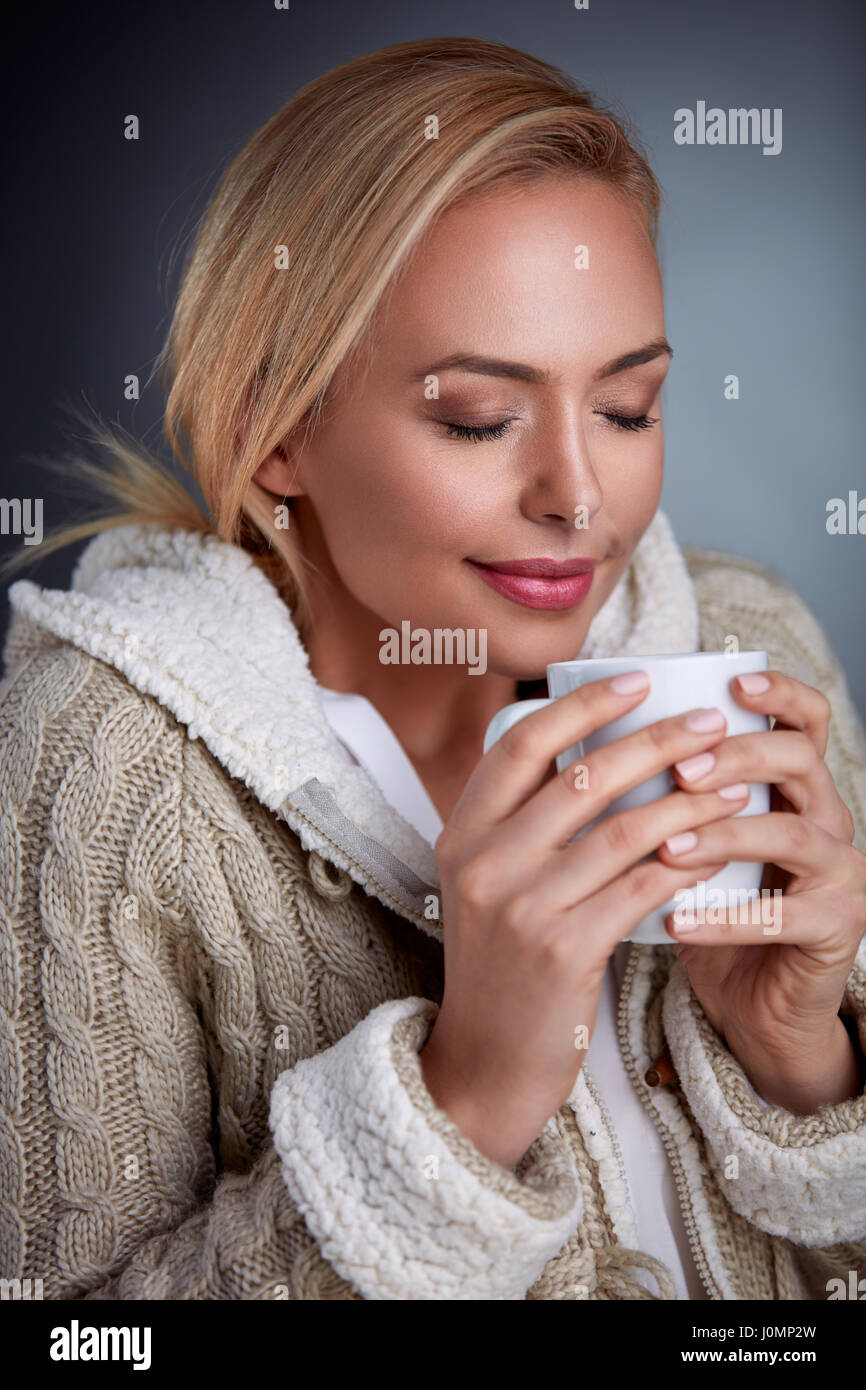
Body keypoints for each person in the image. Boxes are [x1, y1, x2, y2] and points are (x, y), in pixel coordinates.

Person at [1, 35, 864, 1303]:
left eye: (626, 408)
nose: (578, 500)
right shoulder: (97, 767)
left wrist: (804, 1066)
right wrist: (461, 1100)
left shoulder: (752, 643)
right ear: (272, 431)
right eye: (475, 418)